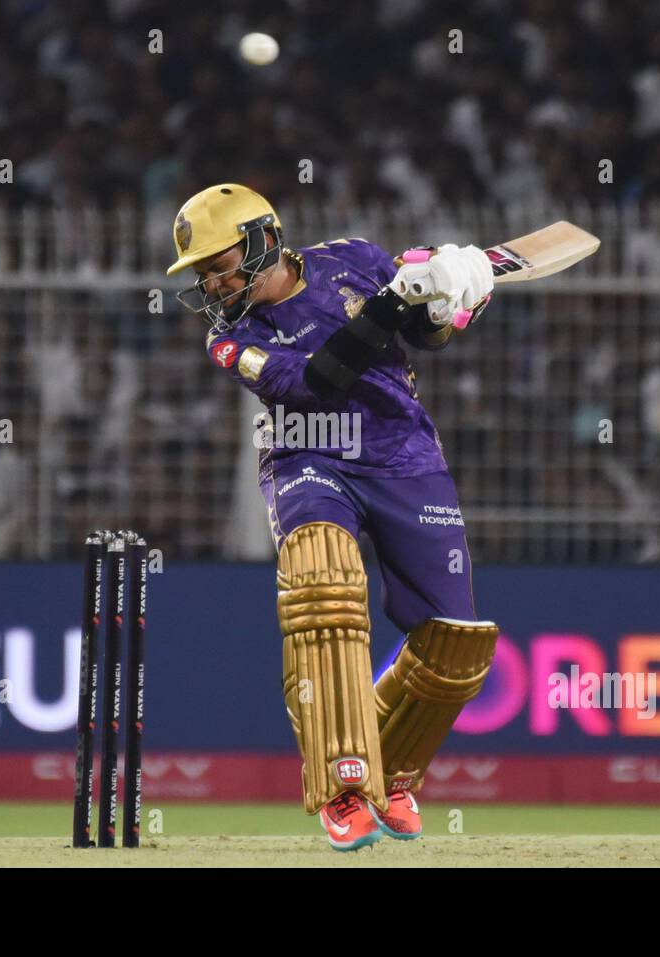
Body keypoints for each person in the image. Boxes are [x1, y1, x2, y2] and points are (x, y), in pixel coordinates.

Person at [167, 183, 499, 852]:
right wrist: (391, 301)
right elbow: (315, 383)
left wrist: (447, 294)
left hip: (402, 453)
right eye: (201, 272)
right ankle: (344, 785)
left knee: (458, 645)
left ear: (263, 240)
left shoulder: (355, 257)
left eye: (218, 262)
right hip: (307, 458)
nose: (211, 281)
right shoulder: (229, 338)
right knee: (323, 583)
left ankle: (392, 772)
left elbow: (424, 335)